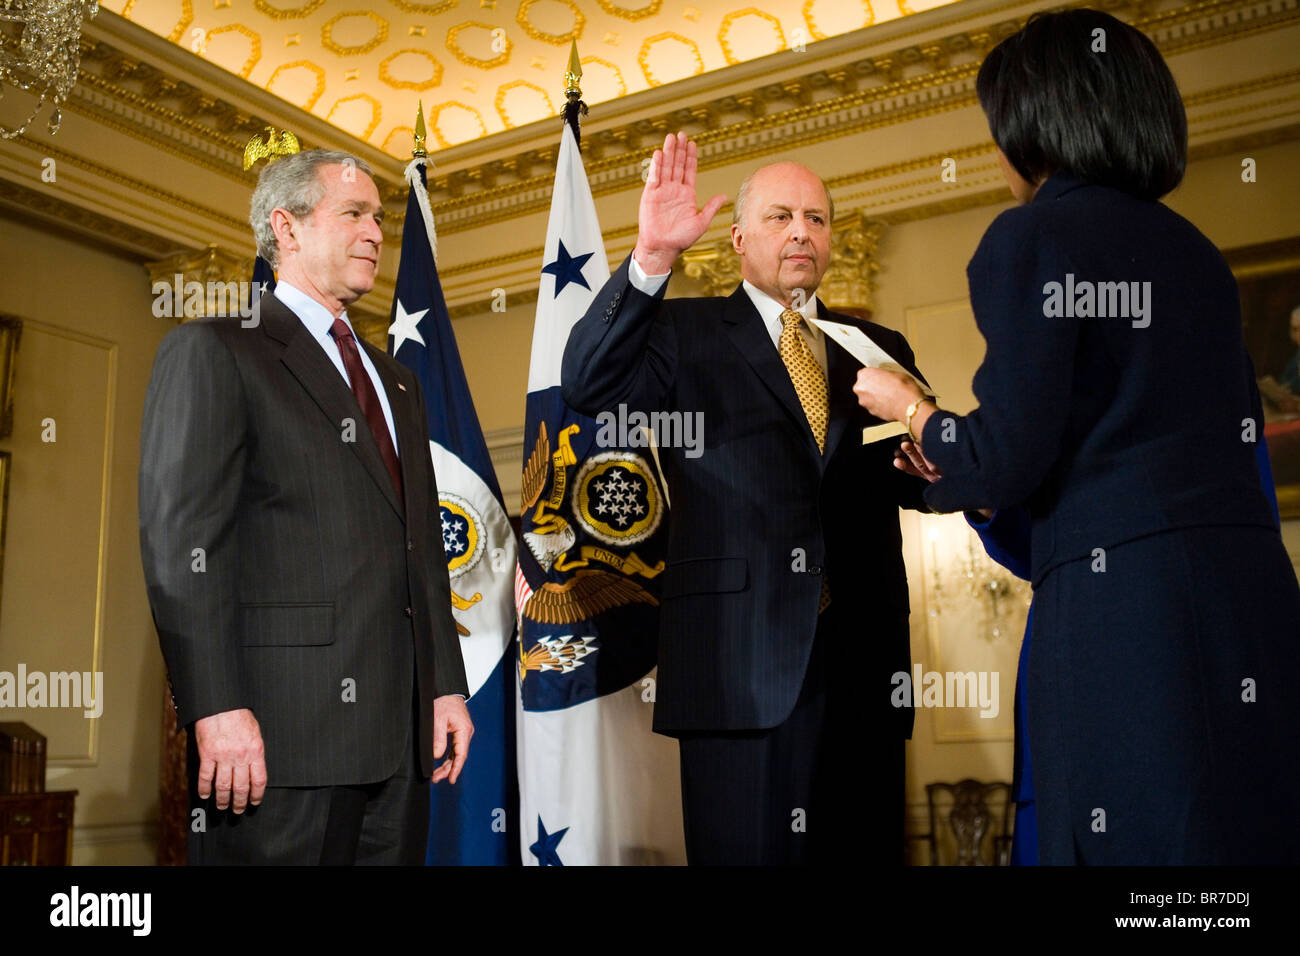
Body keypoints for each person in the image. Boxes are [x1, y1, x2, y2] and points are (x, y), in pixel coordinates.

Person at [855, 10, 1300, 864]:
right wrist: (977, 476)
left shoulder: (1033, 235)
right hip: (1249, 612)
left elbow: (1009, 451)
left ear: (1031, 123)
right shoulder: (1196, 252)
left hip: (1124, 626)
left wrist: (913, 409)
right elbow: (1108, 462)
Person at [561, 133, 930, 865]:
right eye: (781, 216)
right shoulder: (682, 332)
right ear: (736, 238)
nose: (802, 232)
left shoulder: (874, 343)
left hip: (864, 668)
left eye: (818, 219)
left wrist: (948, 473)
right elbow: (589, 386)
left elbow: (916, 472)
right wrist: (653, 257)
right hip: (737, 671)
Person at [139, 149, 472, 864]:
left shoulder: (399, 382)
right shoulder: (214, 352)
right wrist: (216, 706)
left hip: (402, 741)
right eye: (353, 213)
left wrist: (446, 687)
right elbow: (182, 551)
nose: (377, 233)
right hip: (277, 740)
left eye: (380, 217)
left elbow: (422, 550)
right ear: (285, 229)